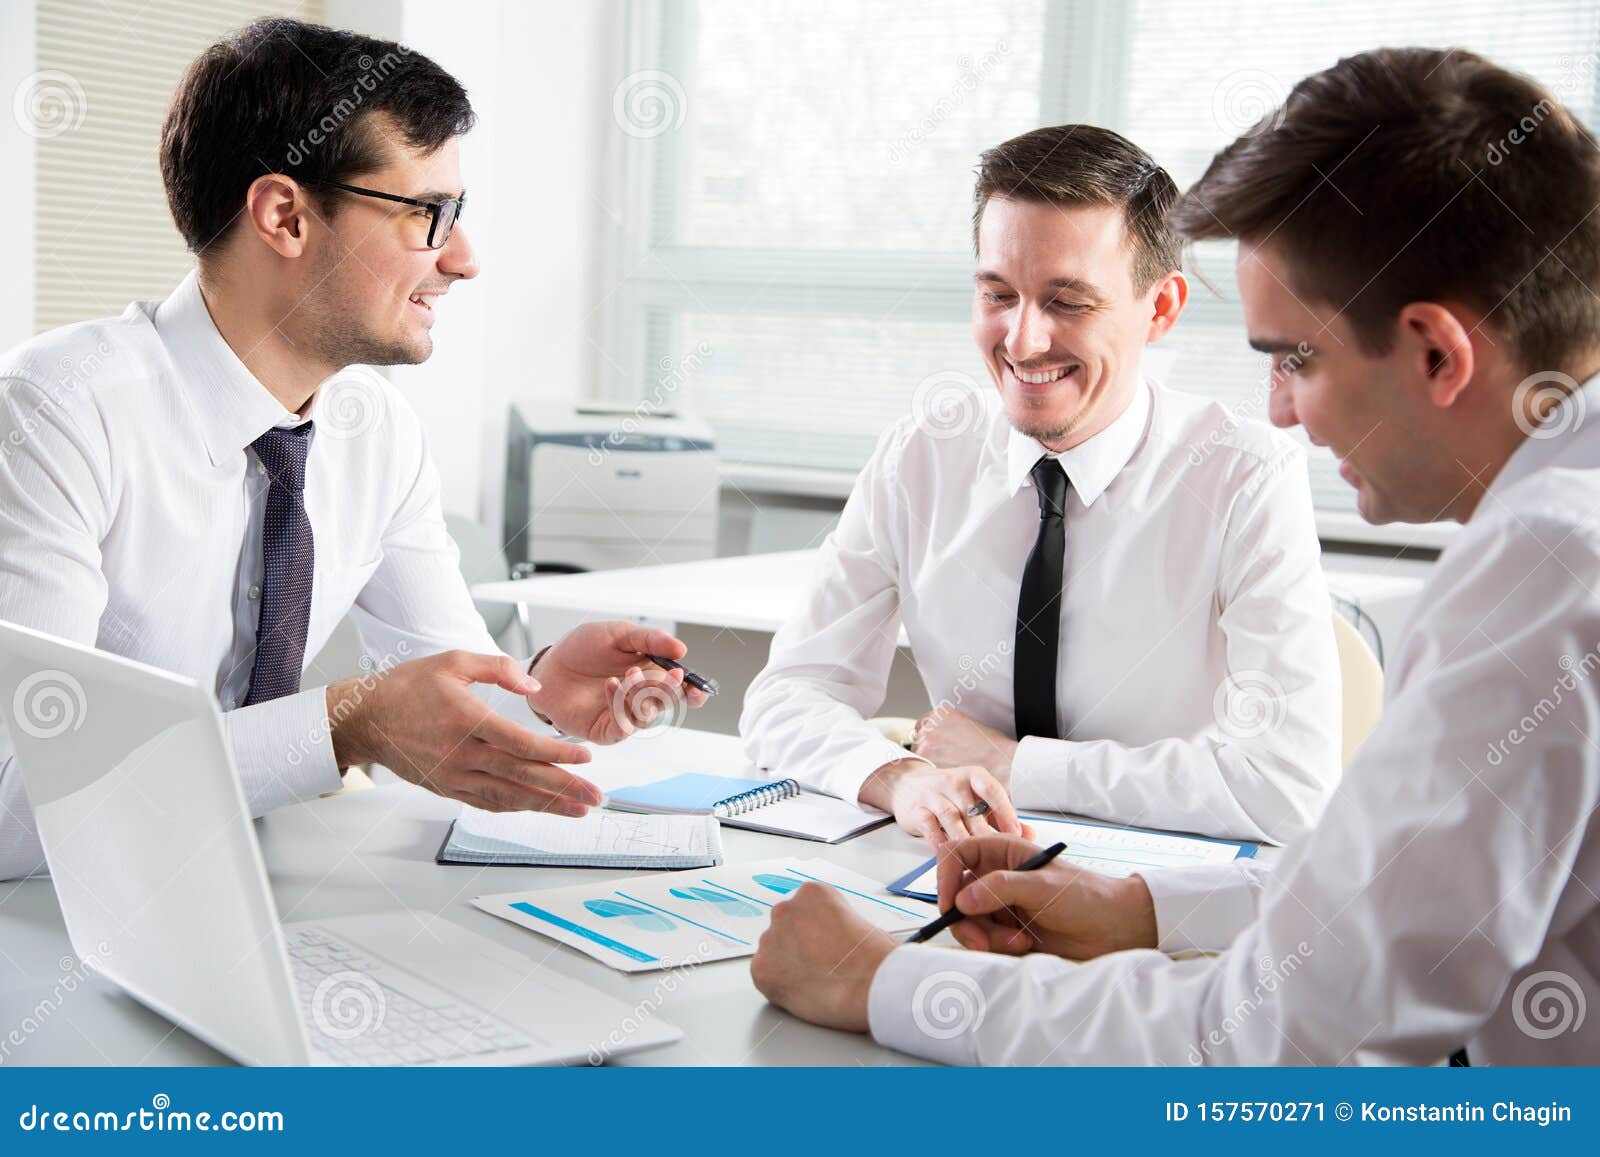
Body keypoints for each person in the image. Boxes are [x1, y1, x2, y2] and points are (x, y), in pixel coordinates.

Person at [750, 47, 1600, 1065]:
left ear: (1435, 352)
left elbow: (1277, 1034)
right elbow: (1388, 907)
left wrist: (884, 981)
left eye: (1294, 358)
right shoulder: (1559, 537)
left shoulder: (1546, 569)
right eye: (997, 292)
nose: (1280, 409)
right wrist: (1146, 907)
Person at [0, 18, 705, 882]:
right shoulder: (53, 413)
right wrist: (341, 725)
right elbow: (15, 802)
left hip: (236, 888)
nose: (464, 260)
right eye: (428, 215)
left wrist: (542, 691)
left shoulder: (376, 431)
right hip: (44, 913)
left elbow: (443, 689)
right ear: (286, 216)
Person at [740, 125, 1340, 846]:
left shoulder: (1244, 476)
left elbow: (1287, 786)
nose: (1022, 341)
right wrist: (899, 778)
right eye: (999, 294)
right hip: (949, 868)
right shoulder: (922, 455)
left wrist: (1017, 766)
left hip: (1159, 883)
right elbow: (789, 695)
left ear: (1160, 308)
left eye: (1069, 302)